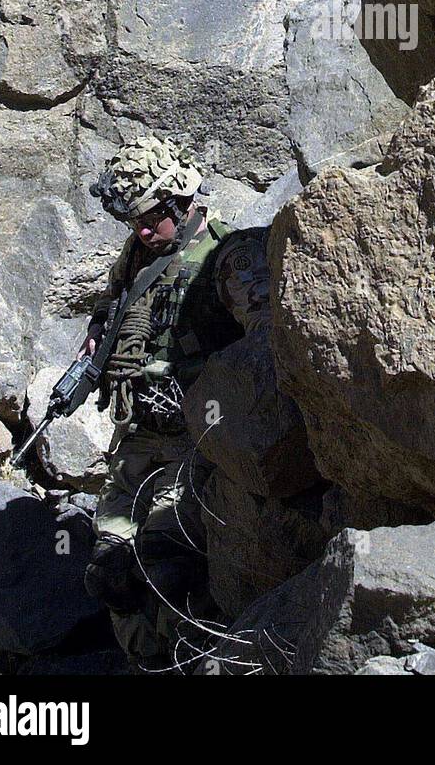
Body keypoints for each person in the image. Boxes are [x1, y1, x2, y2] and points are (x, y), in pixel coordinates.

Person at [80, 134, 269, 672]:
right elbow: (113, 308)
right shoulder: (140, 253)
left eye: (151, 219)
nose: (141, 231)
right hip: (137, 443)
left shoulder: (225, 255)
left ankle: (193, 658)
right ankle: (147, 659)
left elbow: (265, 347)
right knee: (109, 572)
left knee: (169, 566)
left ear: (183, 202)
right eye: (134, 222)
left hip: (195, 447)